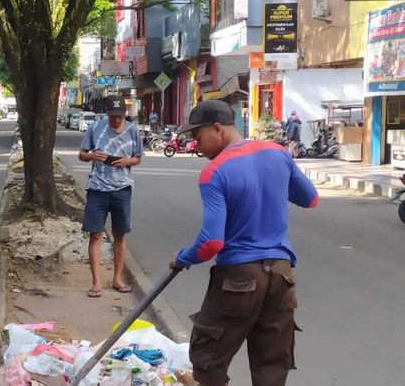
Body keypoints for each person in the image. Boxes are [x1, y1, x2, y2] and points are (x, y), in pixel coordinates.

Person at [170, 100, 319, 386]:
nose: (196, 145)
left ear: (217, 129)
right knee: (272, 364)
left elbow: (211, 242)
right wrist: (270, 185)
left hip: (238, 280)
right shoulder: (278, 153)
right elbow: (309, 199)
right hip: (281, 275)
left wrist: (182, 257)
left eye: (198, 137)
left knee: (208, 357)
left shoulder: (215, 172)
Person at [78, 96, 143, 298]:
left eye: (119, 116)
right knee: (95, 234)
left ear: (125, 114)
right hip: (97, 188)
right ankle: (96, 283)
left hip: (122, 189)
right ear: (107, 114)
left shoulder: (133, 131)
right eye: (112, 116)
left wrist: (125, 161)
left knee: (120, 235)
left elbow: (138, 158)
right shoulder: (95, 128)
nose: (116, 120)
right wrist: (92, 156)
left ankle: (117, 279)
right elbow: (81, 154)